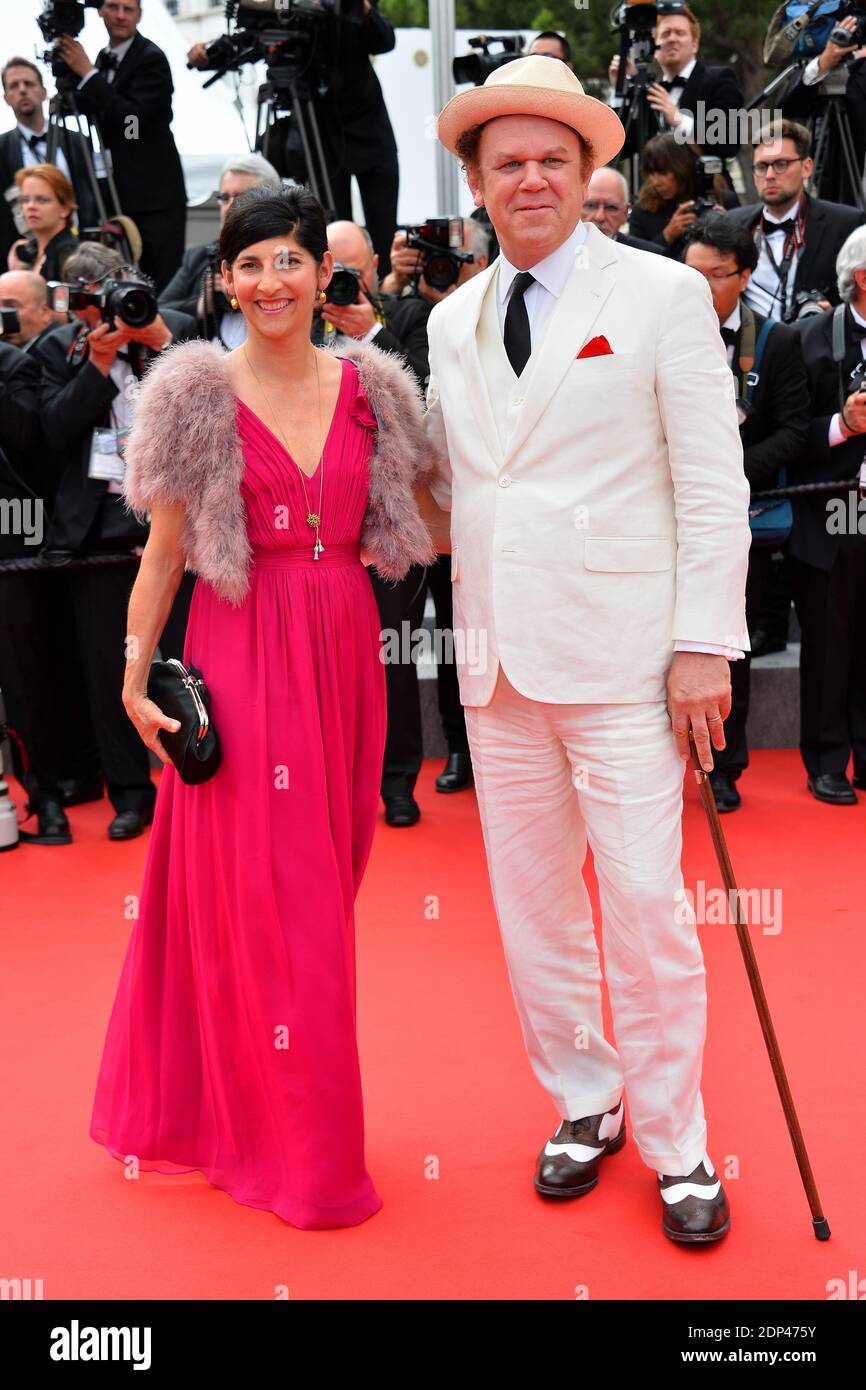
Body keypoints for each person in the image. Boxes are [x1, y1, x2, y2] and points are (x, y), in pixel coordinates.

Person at [427, 54, 750, 1243]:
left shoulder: (660, 296)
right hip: (496, 663)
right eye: (505, 162)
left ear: (586, 173)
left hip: (625, 661)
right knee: (531, 914)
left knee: (644, 910)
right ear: (475, 179)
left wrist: (703, 645)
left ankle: (676, 1139)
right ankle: (585, 1098)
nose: (529, 180)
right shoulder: (450, 316)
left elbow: (710, 486)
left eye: (550, 161)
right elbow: (460, 483)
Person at [88, 184, 438, 1229]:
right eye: (249, 265)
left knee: (318, 893)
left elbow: (431, 518)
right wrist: (132, 668)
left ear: (316, 271)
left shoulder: (373, 388)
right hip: (241, 646)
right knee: (284, 914)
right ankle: (307, 1158)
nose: (270, 282)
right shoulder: (195, 394)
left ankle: (239, 1100)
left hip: (342, 646)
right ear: (225, 280)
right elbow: (160, 555)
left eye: (288, 259)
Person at [33, 242, 197, 841]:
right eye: (91, 302)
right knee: (113, 669)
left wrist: (158, 342)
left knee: (189, 664)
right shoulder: (60, 348)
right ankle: (130, 793)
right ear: (76, 306)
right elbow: (51, 431)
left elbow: (227, 397)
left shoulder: (174, 328)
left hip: (178, 527)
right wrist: (97, 367)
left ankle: (196, 779)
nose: (109, 310)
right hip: (97, 535)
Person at [323, 219, 472, 821]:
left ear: (375, 265)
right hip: (359, 517)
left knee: (462, 642)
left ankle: (454, 754)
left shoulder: (411, 316)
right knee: (392, 653)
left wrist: (374, 334)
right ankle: (387, 777)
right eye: (331, 273)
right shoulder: (302, 332)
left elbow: (428, 392)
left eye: (351, 273)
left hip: (434, 510)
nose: (340, 286)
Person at [683, 215, 810, 813]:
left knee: (730, 644)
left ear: (746, 275)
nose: (699, 287)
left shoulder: (777, 340)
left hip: (742, 517)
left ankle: (725, 764)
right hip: (661, 518)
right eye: (690, 274)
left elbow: (792, 432)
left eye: (714, 276)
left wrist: (725, 475)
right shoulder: (659, 332)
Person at [789, 226, 866, 805]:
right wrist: (845, 423)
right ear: (862, 278)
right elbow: (789, 438)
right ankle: (826, 760)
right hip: (836, 512)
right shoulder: (811, 340)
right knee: (829, 642)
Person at [56, 0, 187, 291]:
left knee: (160, 285)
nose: (120, 16)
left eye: (128, 9)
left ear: (139, 15)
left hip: (155, 198)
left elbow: (133, 123)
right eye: (113, 7)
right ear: (100, 11)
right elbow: (98, 108)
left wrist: (88, 75)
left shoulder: (151, 57)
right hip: (115, 195)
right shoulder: (103, 58)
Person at [724, 120, 865, 323]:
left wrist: (839, 312)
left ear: (806, 167)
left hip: (816, 345)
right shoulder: (732, 223)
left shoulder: (846, 224)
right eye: (762, 166)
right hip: (751, 346)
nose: (770, 175)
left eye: (781, 164)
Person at [159, 154, 281, 344]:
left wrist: (245, 293)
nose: (230, 206)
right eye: (224, 198)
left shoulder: (285, 256)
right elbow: (159, 311)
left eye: (241, 197)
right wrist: (202, 305)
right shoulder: (199, 257)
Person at [609, 2, 745, 164]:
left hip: (704, 186)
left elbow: (730, 142)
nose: (672, 39)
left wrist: (679, 119)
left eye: (680, 33)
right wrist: (619, 90)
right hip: (655, 187)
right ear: (653, 47)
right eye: (665, 34)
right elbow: (619, 149)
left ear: (695, 44)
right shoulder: (649, 92)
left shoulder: (719, 78)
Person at [0, 57, 99, 266]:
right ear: (6, 97)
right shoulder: (3, 147)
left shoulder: (78, 140)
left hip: (81, 249)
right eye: (14, 86)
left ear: (43, 92)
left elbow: (92, 194)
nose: (22, 90)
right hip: (28, 256)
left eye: (29, 83)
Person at [628, 132, 737, 259]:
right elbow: (636, 261)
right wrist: (667, 235)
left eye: (663, 173)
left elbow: (743, 254)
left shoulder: (724, 199)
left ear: (683, 169)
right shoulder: (643, 211)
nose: (655, 182)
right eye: (650, 174)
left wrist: (729, 227)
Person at [381, 217, 491, 306]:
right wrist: (396, 281)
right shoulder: (411, 299)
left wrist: (452, 306)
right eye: (434, 252)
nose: (440, 264)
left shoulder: (494, 304)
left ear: (480, 263)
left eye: (453, 255)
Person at [7, 165, 78, 280]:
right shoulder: (29, 253)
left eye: (42, 200)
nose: (30, 206)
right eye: (25, 200)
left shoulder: (71, 257)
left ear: (65, 208)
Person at [581, 167, 665, 253]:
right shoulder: (566, 249)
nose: (600, 217)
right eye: (590, 206)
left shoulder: (649, 256)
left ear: (625, 213)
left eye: (611, 207)